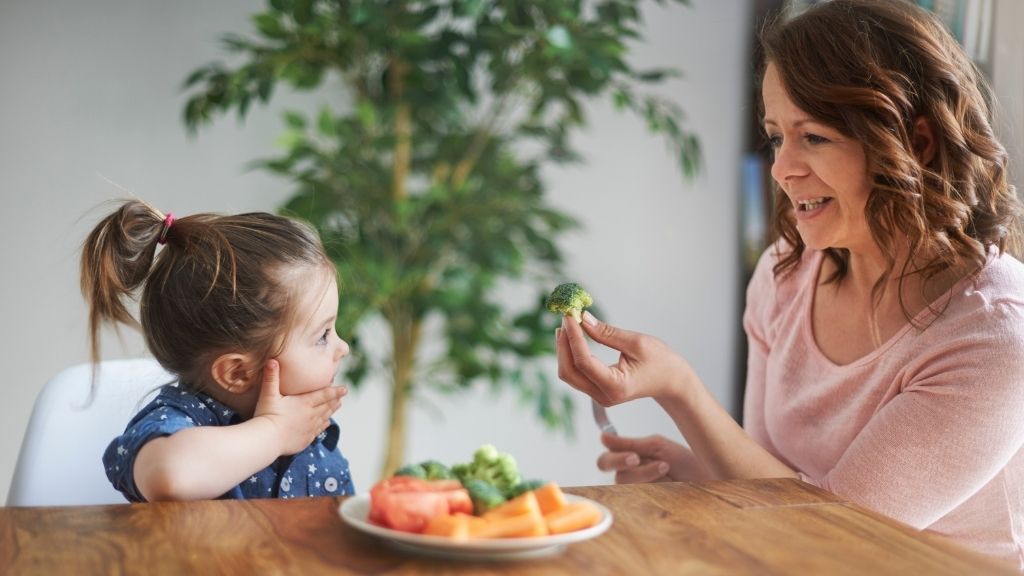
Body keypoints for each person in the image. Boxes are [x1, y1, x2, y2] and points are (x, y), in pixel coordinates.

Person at [556, 0, 1024, 566]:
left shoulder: (995, 334)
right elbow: (779, 488)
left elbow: (838, 541)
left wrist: (679, 389)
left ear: (917, 143)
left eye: (815, 137)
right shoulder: (787, 272)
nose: (782, 169)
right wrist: (691, 472)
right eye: (777, 137)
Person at [82, 200, 354, 502]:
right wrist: (274, 432)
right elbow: (170, 475)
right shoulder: (179, 421)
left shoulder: (312, 434)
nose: (342, 348)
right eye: (323, 335)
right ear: (237, 372)